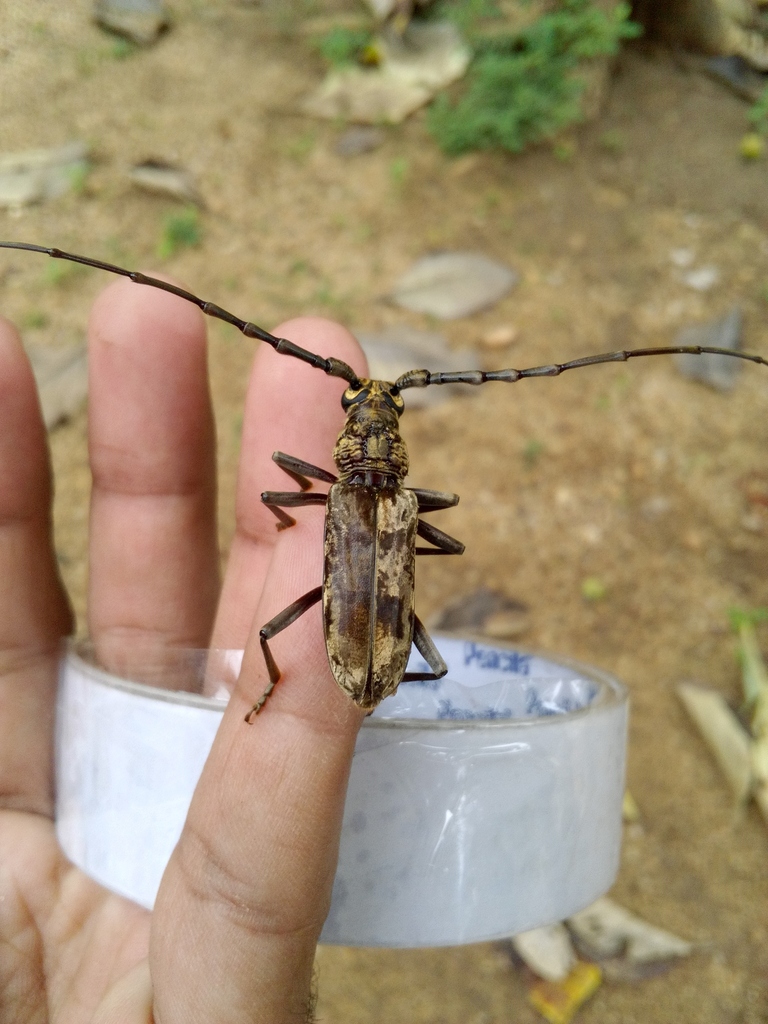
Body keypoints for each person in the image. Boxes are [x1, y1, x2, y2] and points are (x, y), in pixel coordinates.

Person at [0, 276, 368, 1023]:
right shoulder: (371, 494)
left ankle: (275, 686)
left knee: (279, 615)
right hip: (367, 634)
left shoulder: (332, 490)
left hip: (358, 629)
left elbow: (285, 502)